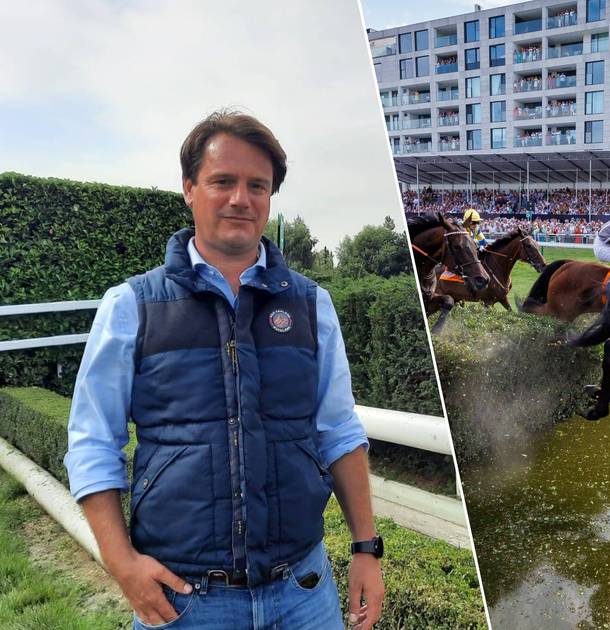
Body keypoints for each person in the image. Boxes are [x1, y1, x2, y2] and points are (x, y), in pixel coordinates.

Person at [64, 111, 385, 629]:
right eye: (223, 182)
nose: (242, 198)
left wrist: (366, 546)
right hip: (185, 601)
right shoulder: (131, 305)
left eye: (257, 185)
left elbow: (339, 431)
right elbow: (91, 441)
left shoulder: (311, 304)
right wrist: (121, 562)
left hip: (303, 593)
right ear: (190, 189)